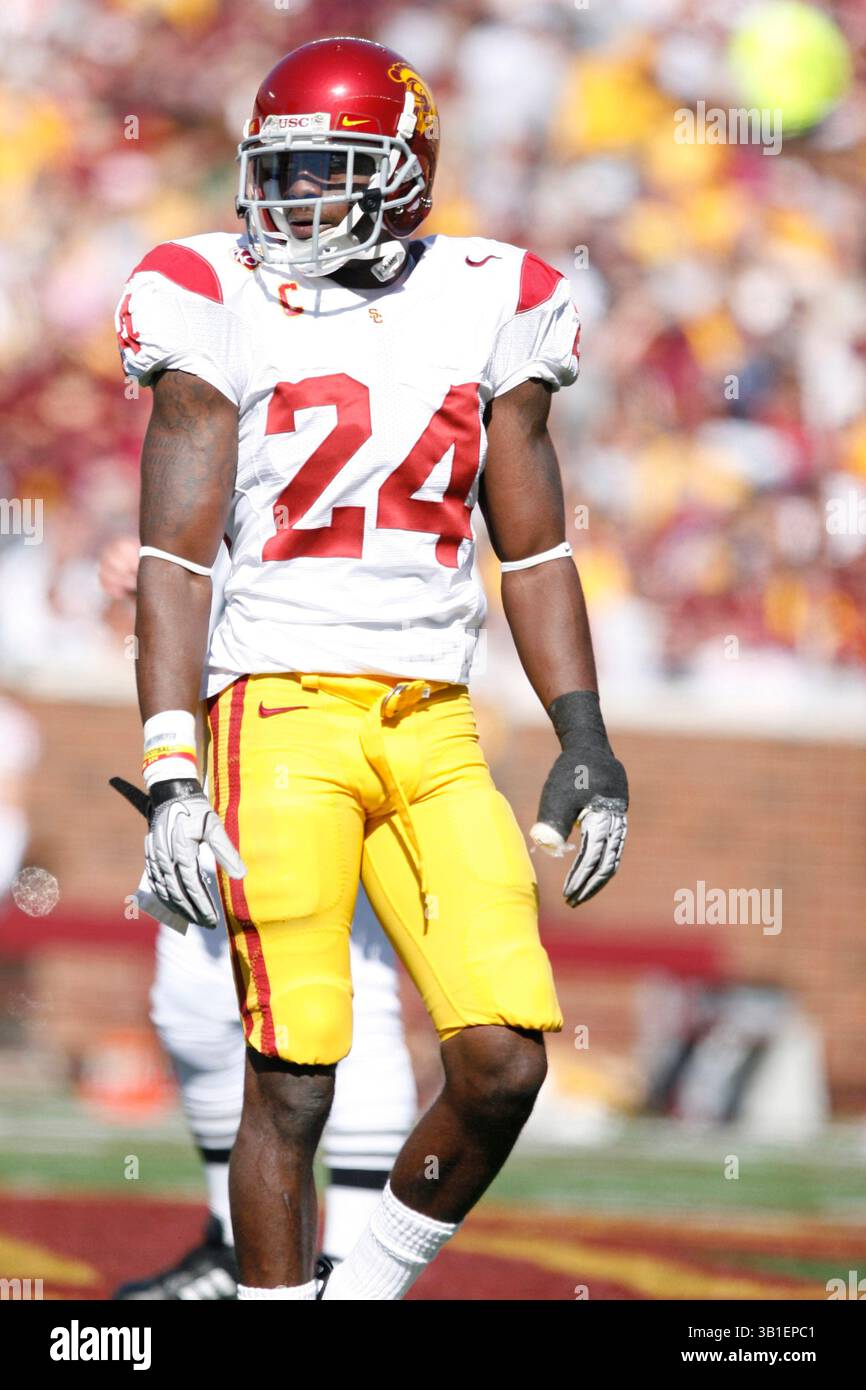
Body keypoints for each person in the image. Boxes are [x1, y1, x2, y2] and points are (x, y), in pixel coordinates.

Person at [116, 35, 628, 1301]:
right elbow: (174, 561)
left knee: (503, 1061)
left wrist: (584, 735)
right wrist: (172, 766)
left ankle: (361, 1290)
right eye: (276, 171)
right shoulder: (209, 290)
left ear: (404, 175)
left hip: (432, 720)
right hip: (277, 706)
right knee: (293, 1075)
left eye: (323, 172)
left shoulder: (492, 293)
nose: (289, 200)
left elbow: (534, 550)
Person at [100, 535, 416, 1299]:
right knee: (188, 1003)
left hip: (336, 731)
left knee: (353, 1000)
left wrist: (186, 570)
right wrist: (178, 567)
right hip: (233, 744)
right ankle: (233, 1244)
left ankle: (346, 1266)